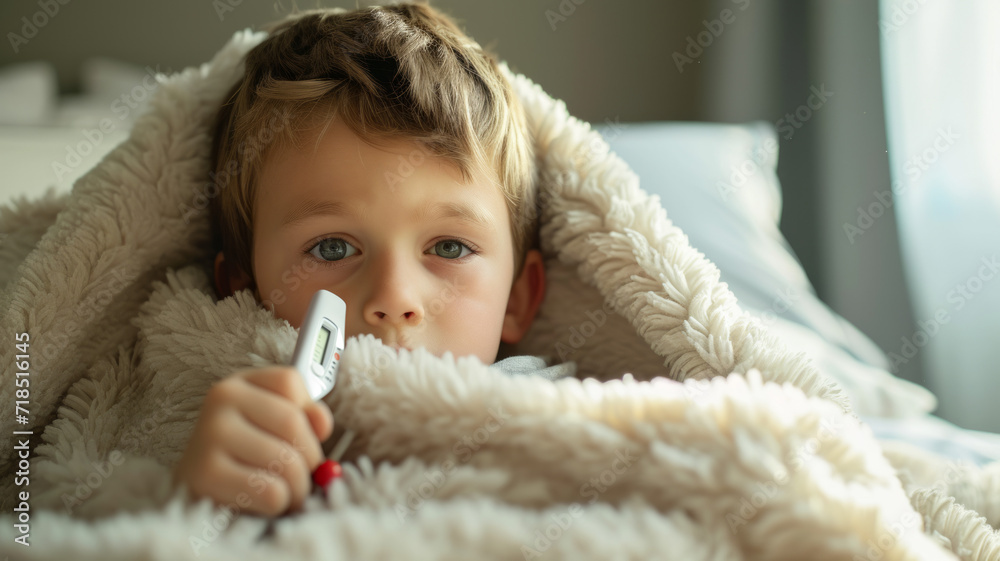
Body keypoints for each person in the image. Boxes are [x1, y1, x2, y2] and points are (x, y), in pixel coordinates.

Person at [171, 2, 575, 519]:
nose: (394, 297)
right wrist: (196, 504)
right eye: (332, 248)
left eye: (449, 247)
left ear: (518, 298)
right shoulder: (221, 428)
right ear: (243, 293)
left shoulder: (556, 425)